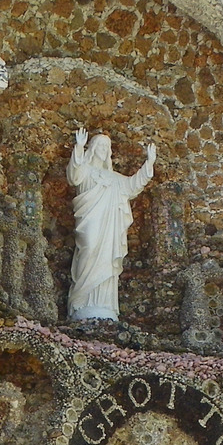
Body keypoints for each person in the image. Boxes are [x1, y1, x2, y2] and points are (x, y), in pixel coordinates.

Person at [66, 128, 155, 320]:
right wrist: (79, 147)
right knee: (88, 248)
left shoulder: (116, 179)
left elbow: (134, 185)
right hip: (90, 220)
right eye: (101, 145)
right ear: (94, 147)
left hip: (110, 228)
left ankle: (103, 305)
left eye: (108, 147)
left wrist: (149, 163)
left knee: (107, 257)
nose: (104, 149)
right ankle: (82, 300)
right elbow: (74, 175)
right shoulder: (86, 171)